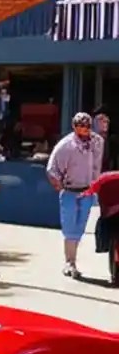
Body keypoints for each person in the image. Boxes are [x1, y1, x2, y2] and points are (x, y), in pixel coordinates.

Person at [48, 111, 106, 278]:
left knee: (79, 228)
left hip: (87, 190)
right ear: (74, 127)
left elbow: (98, 161)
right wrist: (59, 185)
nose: (84, 129)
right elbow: (52, 168)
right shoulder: (65, 145)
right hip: (70, 190)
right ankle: (69, 262)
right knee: (70, 228)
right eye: (81, 125)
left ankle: (73, 259)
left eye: (87, 125)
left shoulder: (97, 142)